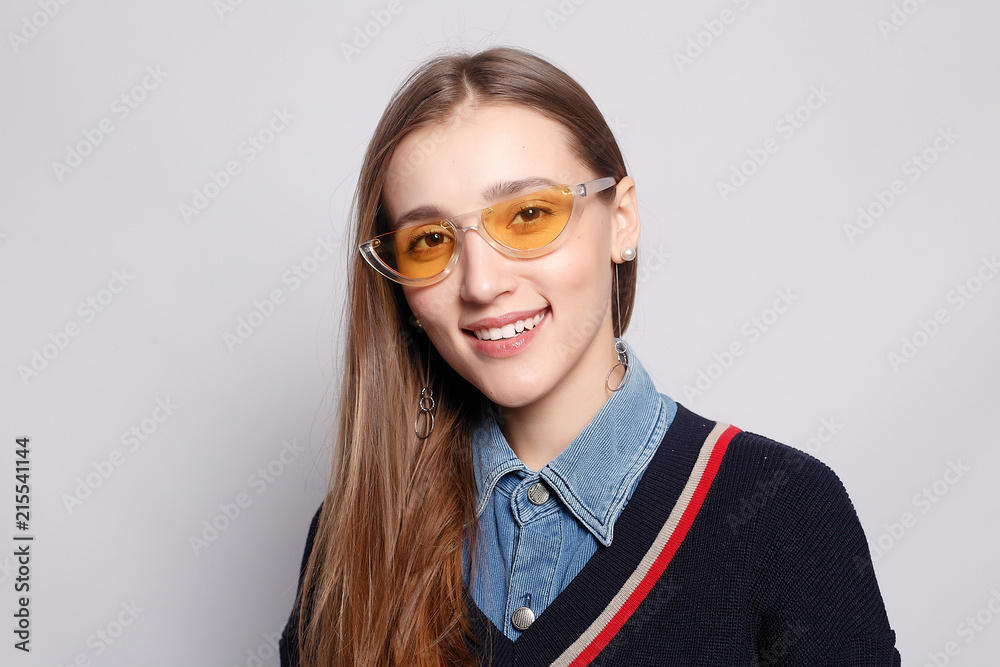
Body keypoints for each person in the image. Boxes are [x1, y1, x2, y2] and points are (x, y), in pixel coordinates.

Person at [279, 46, 900, 666]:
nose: (480, 283)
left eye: (527, 215)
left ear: (622, 219)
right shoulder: (351, 543)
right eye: (431, 241)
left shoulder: (784, 515)